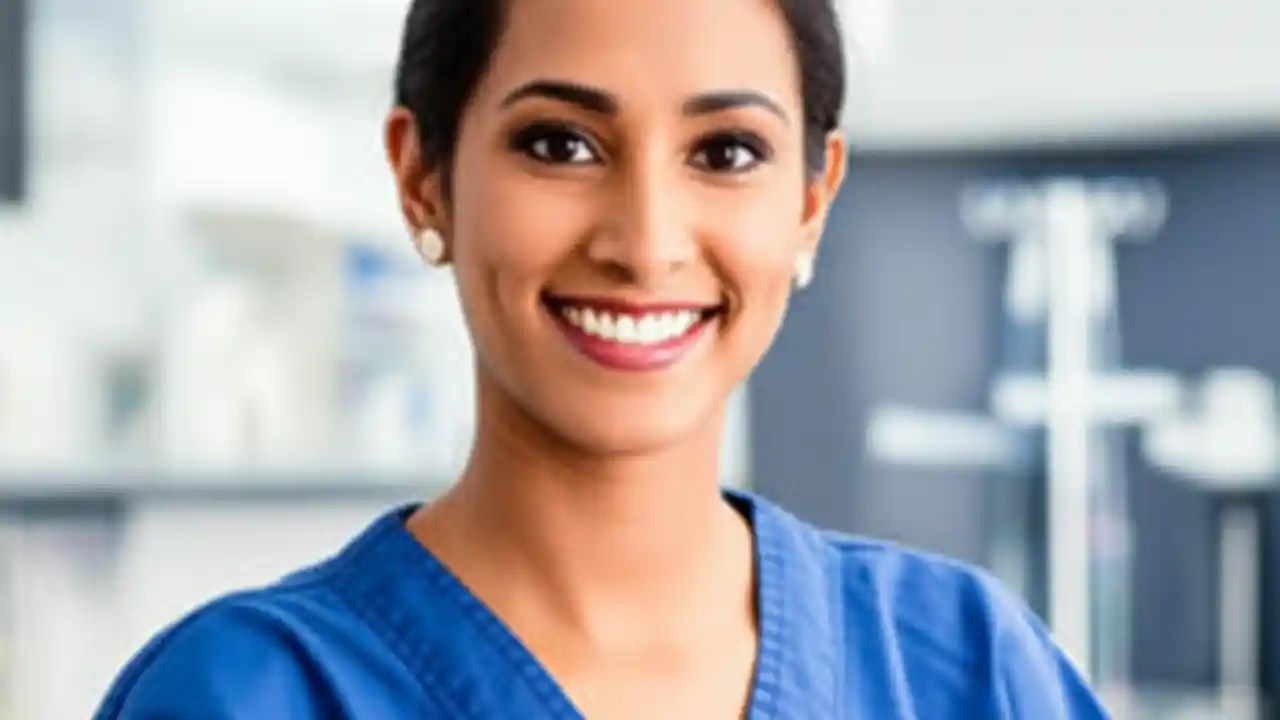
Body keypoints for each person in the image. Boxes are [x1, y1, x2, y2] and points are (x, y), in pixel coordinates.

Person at [95, 0, 1109, 717]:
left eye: (724, 153)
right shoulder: (245, 695)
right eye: (560, 144)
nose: (646, 242)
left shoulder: (963, 671)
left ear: (809, 202)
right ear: (422, 179)